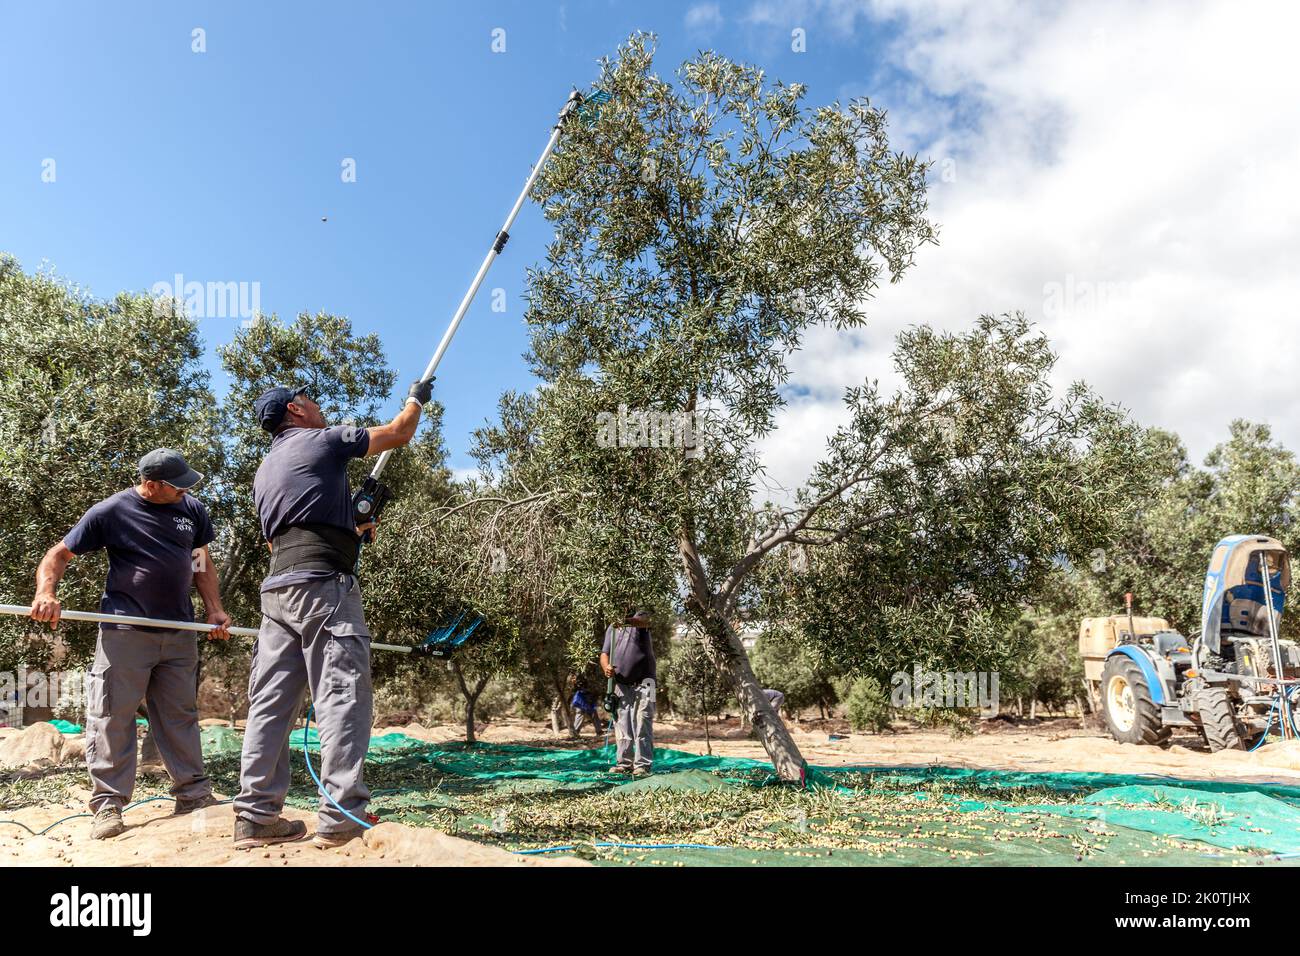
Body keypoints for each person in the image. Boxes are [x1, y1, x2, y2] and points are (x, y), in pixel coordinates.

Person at [233, 380, 427, 850]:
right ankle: (343, 815)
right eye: (310, 399)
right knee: (342, 694)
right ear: (296, 410)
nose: (318, 405)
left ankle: (256, 817)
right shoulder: (321, 439)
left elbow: (281, 536)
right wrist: (417, 398)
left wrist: (351, 524)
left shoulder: (265, 471)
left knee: (272, 703)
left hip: (278, 592)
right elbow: (400, 433)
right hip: (324, 590)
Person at [30, 448, 230, 839]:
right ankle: (108, 805)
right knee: (113, 716)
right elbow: (59, 554)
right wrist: (46, 592)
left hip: (179, 633)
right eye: (177, 487)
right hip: (125, 632)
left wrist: (214, 610)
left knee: (180, 716)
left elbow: (201, 561)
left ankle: (192, 793)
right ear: (150, 484)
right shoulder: (111, 511)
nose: (185, 493)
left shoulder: (191, 510)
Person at [600, 608, 656, 776]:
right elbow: (604, 653)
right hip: (621, 685)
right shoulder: (612, 627)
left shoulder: (640, 618)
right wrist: (606, 668)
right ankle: (623, 764)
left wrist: (623, 620)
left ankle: (642, 765)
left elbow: (644, 621)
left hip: (647, 683)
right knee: (622, 725)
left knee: (643, 723)